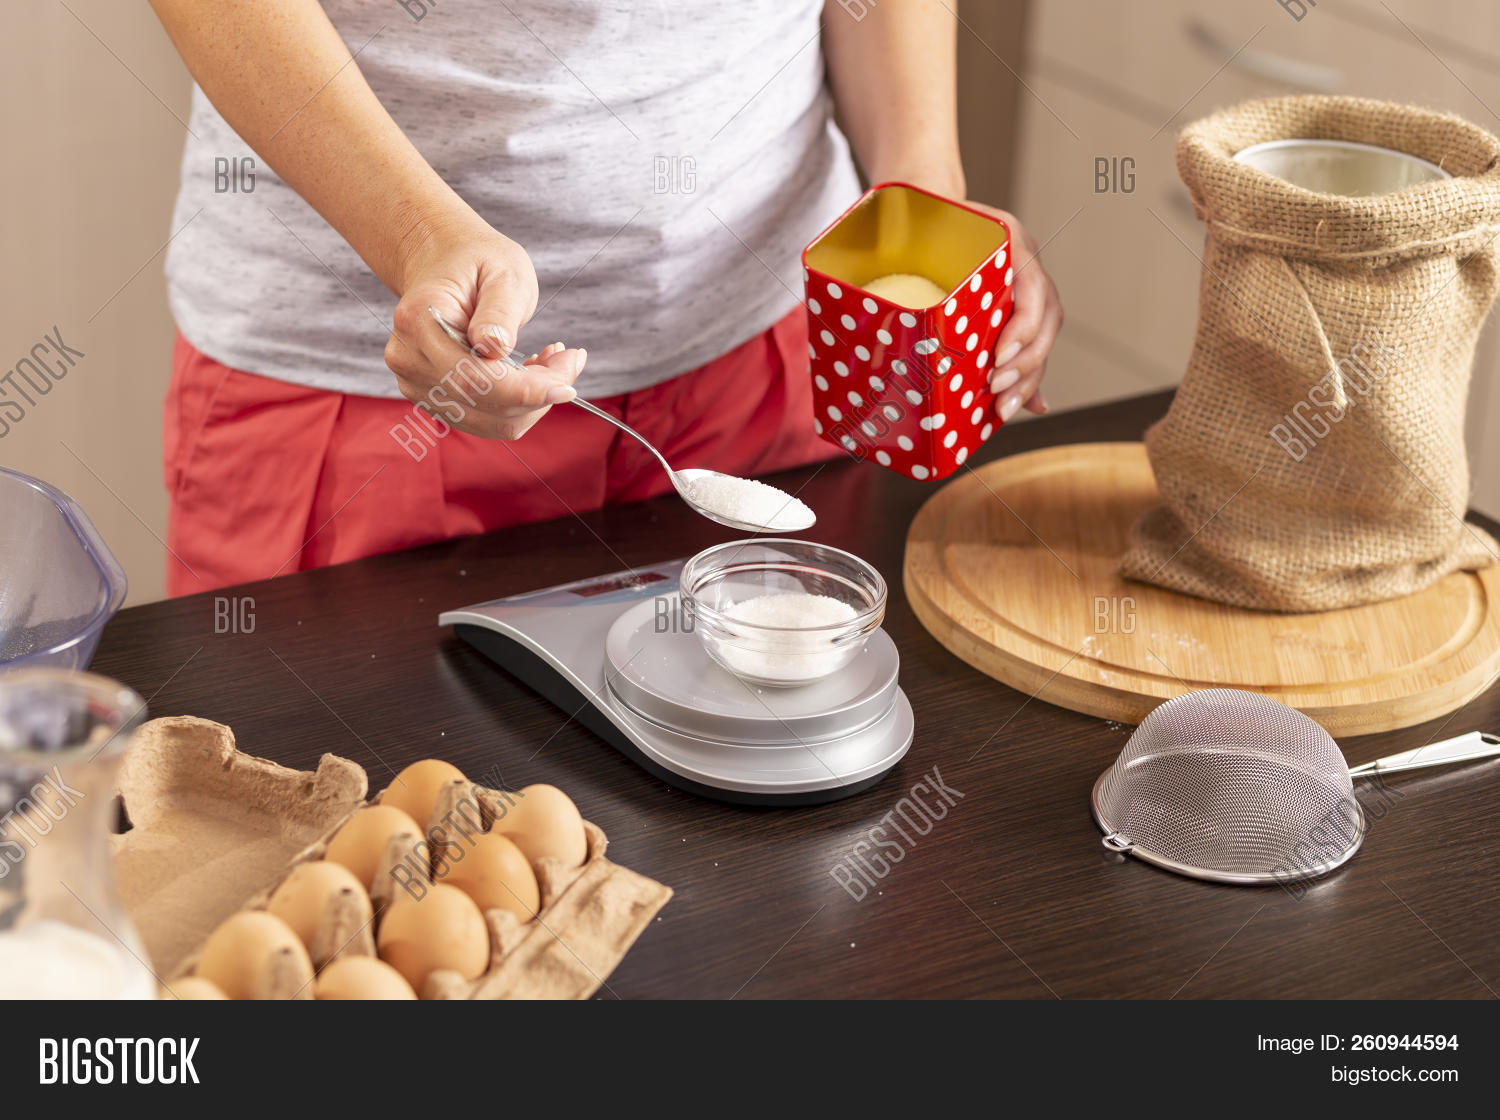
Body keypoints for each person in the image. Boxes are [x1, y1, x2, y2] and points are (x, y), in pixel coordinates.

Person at [150, 0, 1062, 595]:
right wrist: (416, 238)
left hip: (773, 347)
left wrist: (924, 199)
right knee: (340, 843)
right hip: (365, 398)